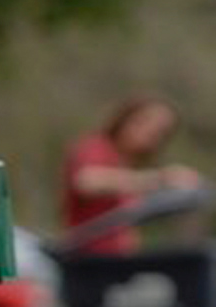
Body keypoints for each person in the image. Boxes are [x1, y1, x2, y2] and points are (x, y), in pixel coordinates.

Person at [60, 96, 202, 255]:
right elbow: (87, 181)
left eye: (161, 131)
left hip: (118, 258)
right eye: (144, 122)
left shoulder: (126, 163)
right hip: (89, 260)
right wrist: (161, 179)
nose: (150, 133)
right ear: (126, 118)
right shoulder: (96, 147)